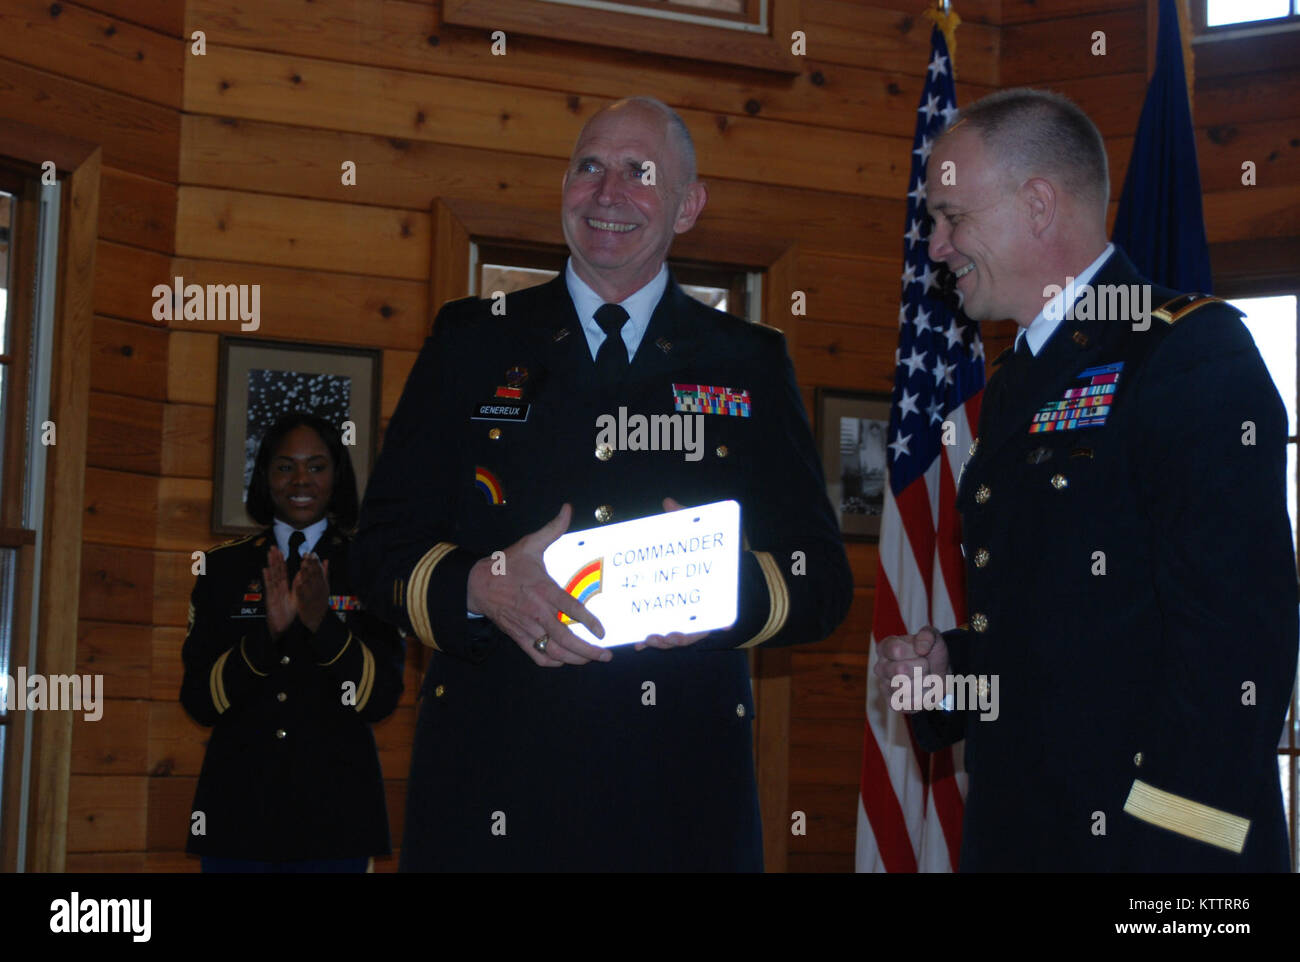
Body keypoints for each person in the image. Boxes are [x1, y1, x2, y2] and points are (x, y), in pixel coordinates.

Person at [352, 96, 853, 871]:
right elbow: (378, 551)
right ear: (564, 187)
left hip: (679, 795)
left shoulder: (747, 360)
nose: (607, 192)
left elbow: (820, 580)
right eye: (589, 166)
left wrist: (714, 592)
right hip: (493, 785)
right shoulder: (472, 339)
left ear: (688, 206)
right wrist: (482, 585)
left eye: (639, 173)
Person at [875, 88, 1299, 871]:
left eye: (951, 218)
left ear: (1039, 205)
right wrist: (955, 675)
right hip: (1029, 833)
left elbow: (1238, 648)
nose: (935, 247)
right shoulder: (1017, 381)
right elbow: (1065, 633)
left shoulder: (1187, 354)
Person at [181, 413, 405, 871]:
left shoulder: (370, 569)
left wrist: (323, 624)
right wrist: (267, 635)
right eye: (285, 466)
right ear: (265, 477)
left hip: (337, 823)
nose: (301, 479)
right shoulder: (220, 569)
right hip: (237, 818)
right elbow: (200, 701)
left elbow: (380, 699)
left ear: (336, 476)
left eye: (317, 466)